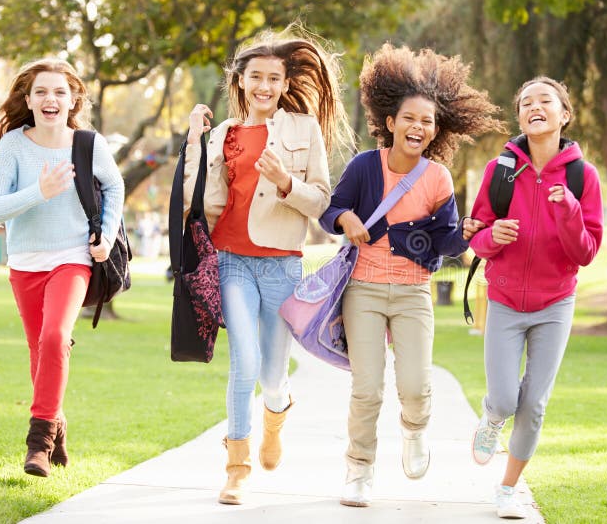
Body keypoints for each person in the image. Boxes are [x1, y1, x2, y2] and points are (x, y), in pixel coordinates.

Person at [319, 43, 505, 507]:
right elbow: (331, 209)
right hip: (362, 289)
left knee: (416, 385)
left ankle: (414, 431)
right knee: (366, 387)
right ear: (389, 123)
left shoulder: (438, 178)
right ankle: (359, 469)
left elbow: (445, 243)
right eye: (409, 118)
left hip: (412, 292)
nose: (418, 127)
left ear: (435, 130)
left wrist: (462, 233)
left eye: (427, 121)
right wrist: (345, 221)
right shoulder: (365, 166)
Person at [180, 27, 351, 505]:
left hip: (281, 265)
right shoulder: (222, 135)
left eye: (273, 78)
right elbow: (193, 198)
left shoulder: (304, 129)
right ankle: (236, 466)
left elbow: (320, 201)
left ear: (283, 83)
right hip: (231, 260)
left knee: (273, 375)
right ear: (240, 80)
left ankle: (276, 416)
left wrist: (284, 181)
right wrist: (194, 139)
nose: (264, 86)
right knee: (245, 363)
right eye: (255, 76)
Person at [0, 58, 124, 477]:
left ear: (73, 99)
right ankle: (57, 423)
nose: (51, 99)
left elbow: (114, 185)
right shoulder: (13, 145)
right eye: (41, 91)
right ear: (28, 100)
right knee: (39, 351)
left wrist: (108, 233)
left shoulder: (89, 144)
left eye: (60, 92)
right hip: (25, 262)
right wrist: (39, 191)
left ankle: (38, 443)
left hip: (72, 257)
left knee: (56, 335)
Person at [468, 76, 603, 519]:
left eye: (545, 100)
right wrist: (494, 235)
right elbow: (478, 238)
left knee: (535, 404)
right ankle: (491, 419)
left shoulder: (584, 177)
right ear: (521, 116)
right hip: (505, 299)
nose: (534, 106)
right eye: (526, 102)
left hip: (555, 304)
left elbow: (585, 252)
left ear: (564, 114)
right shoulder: (500, 170)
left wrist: (568, 210)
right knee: (506, 399)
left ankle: (508, 488)